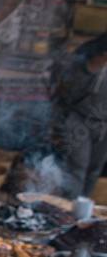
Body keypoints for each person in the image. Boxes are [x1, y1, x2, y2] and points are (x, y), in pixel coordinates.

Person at [53, 34, 107, 198]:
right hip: (80, 120)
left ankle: (81, 207)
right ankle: (68, 208)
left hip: (104, 127)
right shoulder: (84, 64)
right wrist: (94, 69)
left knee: (94, 169)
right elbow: (68, 92)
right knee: (77, 167)